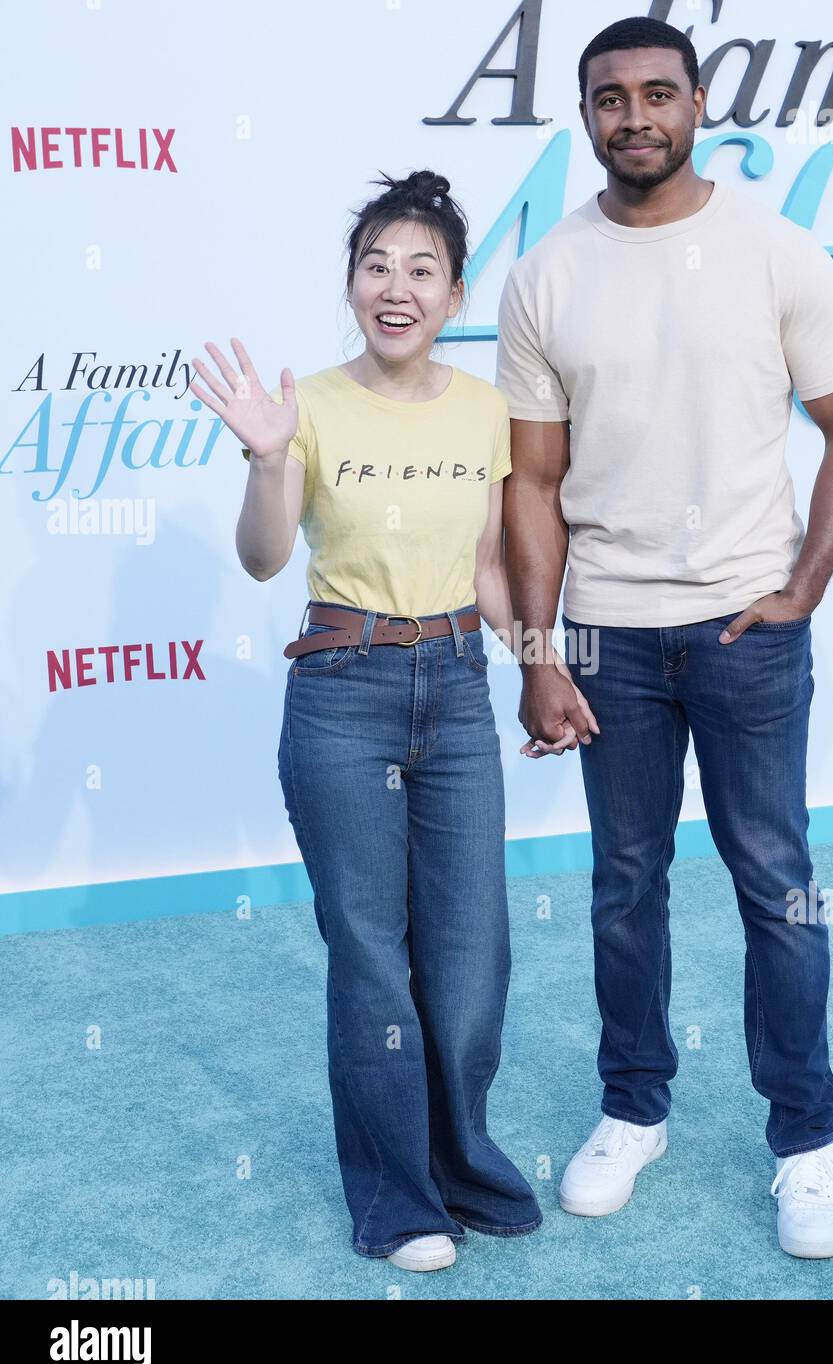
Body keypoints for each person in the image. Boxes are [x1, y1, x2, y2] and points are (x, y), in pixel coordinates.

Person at [497, 18, 833, 1259]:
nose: (634, 116)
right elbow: (529, 483)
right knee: (623, 889)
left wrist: (805, 582)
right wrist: (538, 649)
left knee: (774, 886)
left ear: (698, 102)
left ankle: (807, 1141)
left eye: (656, 92)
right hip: (609, 628)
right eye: (609, 98)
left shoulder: (769, 248)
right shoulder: (544, 274)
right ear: (584, 115)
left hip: (742, 627)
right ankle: (632, 1108)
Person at [189, 169, 583, 1272]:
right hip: (341, 684)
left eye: (421, 270)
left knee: (467, 958)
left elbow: (494, 562)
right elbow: (265, 555)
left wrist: (537, 669)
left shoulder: (482, 407)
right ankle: (397, 1198)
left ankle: (462, 1164)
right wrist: (270, 460)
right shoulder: (305, 402)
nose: (395, 287)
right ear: (351, 285)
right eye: (376, 267)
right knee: (369, 953)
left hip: (455, 681)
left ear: (454, 294)